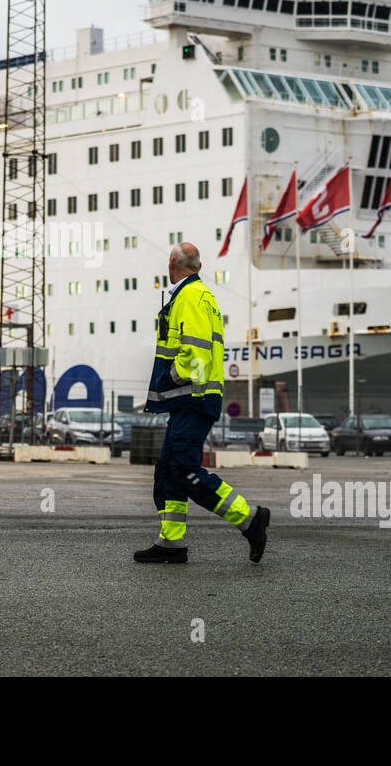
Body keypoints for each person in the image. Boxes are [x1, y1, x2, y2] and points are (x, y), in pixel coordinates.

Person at [135, 242, 270, 564]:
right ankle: (171, 543)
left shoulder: (190, 297)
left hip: (193, 397)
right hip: (190, 400)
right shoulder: (199, 295)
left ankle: (249, 518)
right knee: (168, 470)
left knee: (183, 469)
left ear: (172, 263)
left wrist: (172, 378)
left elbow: (194, 352)